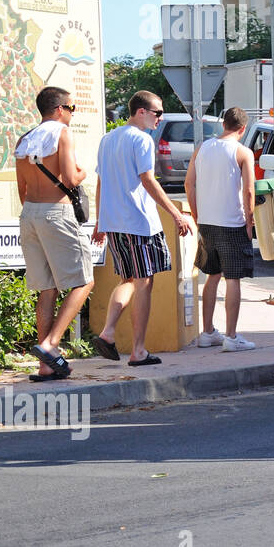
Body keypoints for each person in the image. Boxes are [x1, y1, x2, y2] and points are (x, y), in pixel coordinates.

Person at [90, 90, 194, 367]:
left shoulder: (108, 139)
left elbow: (101, 183)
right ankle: (137, 350)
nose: (160, 118)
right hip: (138, 222)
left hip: (114, 223)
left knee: (128, 280)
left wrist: (101, 221)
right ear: (141, 112)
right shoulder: (142, 139)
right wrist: (176, 214)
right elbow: (147, 180)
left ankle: (109, 332)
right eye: (157, 112)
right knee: (144, 282)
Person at [13, 86, 95, 381]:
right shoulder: (62, 133)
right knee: (84, 282)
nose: (73, 114)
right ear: (60, 109)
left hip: (30, 214)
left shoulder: (24, 140)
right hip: (56, 213)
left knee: (47, 289)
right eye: (72, 108)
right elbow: (71, 179)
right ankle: (50, 345)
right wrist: (84, 172)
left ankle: (46, 365)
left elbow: (22, 189)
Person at [185, 106, 257, 352]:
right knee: (233, 278)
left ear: (223, 124)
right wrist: (250, 221)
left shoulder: (203, 148)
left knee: (212, 276)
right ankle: (232, 336)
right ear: (243, 128)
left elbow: (188, 184)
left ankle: (207, 333)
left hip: (207, 222)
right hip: (232, 223)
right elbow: (249, 191)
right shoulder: (242, 152)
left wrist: (196, 215)